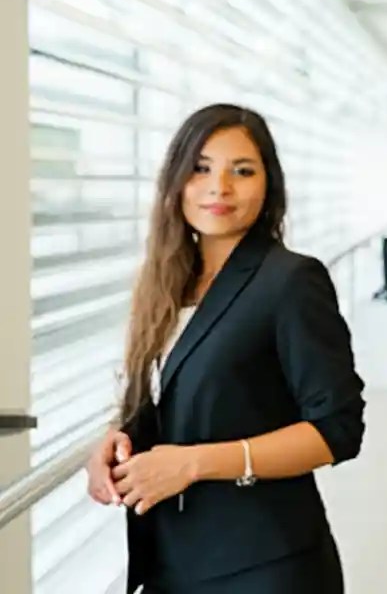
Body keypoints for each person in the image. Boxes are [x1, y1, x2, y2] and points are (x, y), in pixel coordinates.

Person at [84, 104, 366, 593]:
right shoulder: (168, 286)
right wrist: (117, 437)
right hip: (174, 562)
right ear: (175, 181)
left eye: (242, 170)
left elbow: (337, 429)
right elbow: (181, 395)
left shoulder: (291, 280)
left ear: (269, 184)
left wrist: (193, 463)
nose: (220, 188)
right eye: (201, 168)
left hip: (261, 567)